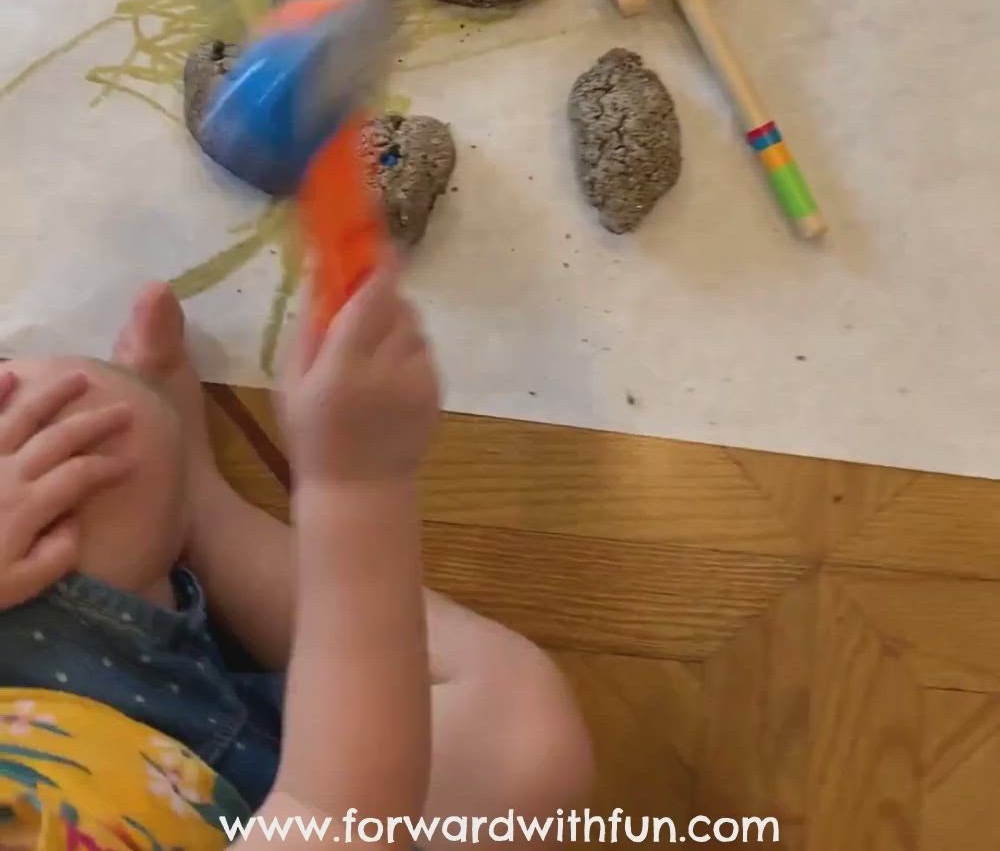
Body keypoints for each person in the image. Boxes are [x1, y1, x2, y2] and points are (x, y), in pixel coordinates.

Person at [0, 265, 593, 849]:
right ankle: (204, 514)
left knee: (87, 426)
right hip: (278, 800)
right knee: (522, 748)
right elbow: (331, 811)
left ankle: (189, 506)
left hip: (52, 730)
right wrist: (355, 485)